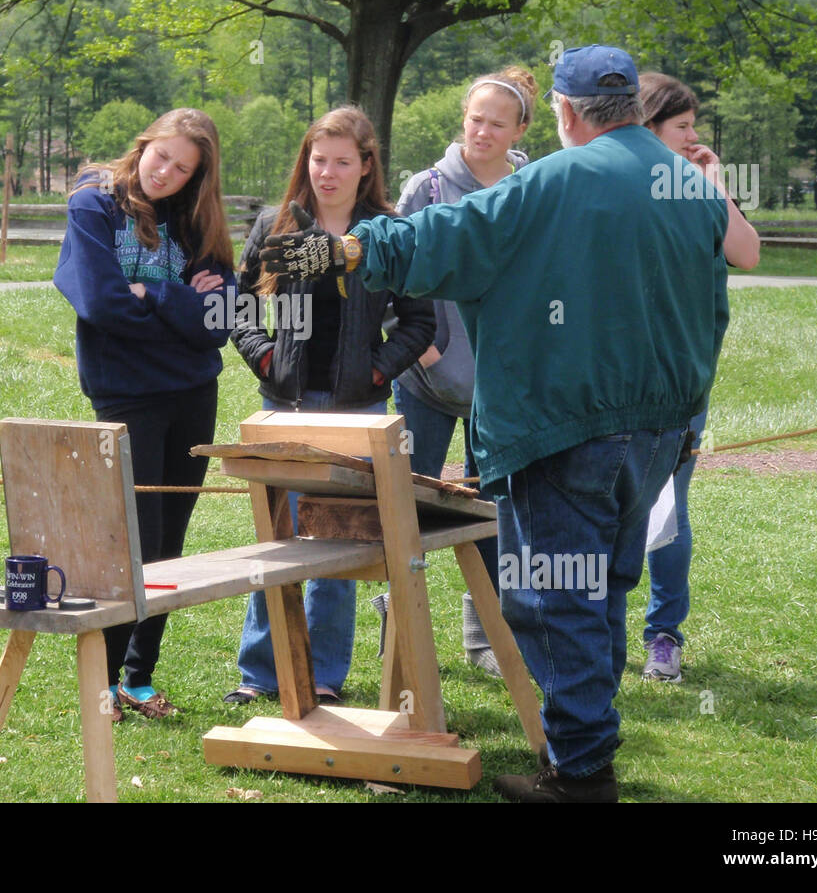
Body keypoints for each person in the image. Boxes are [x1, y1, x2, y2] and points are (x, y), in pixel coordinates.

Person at [260, 47, 728, 801]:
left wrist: (347, 247)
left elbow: (441, 237)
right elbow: (713, 313)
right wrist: (683, 419)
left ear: (566, 113)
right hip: (658, 428)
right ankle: (586, 746)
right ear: (634, 110)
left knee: (549, 593)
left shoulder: (548, 181)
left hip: (565, 423)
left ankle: (580, 771)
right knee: (604, 584)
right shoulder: (690, 185)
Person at [225, 105, 434, 705]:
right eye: (320, 160)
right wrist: (265, 358)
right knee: (279, 536)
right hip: (283, 405)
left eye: (343, 162)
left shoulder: (389, 232)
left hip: (358, 411)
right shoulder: (277, 224)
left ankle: (323, 676)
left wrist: (375, 370)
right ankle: (260, 674)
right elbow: (239, 309)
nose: (329, 173)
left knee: (338, 538)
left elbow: (420, 323)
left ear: (367, 167)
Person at [54, 107, 235, 720]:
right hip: (125, 391)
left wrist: (153, 293)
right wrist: (182, 308)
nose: (165, 172)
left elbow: (220, 323)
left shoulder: (198, 221)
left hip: (192, 394)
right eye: (162, 155)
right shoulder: (94, 205)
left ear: (196, 177)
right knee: (132, 536)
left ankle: (138, 676)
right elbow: (102, 304)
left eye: (182, 168)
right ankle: (101, 681)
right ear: (144, 144)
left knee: (171, 541)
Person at [393, 65, 536, 677]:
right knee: (405, 509)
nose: (481, 132)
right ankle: (397, 629)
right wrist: (423, 348)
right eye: (475, 119)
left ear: (519, 130)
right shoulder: (424, 188)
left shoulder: (534, 187)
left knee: (492, 513)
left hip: (500, 387)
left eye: (495, 124)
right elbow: (395, 270)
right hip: (424, 382)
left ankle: (487, 640)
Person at [638, 72, 760, 683]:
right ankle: (592, 627)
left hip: (684, 382)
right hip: (615, 380)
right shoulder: (624, 190)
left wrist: (716, 184)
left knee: (669, 507)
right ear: (649, 128)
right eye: (682, 126)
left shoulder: (700, 189)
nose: (694, 137)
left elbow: (747, 252)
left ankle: (663, 635)